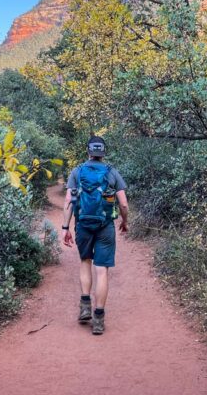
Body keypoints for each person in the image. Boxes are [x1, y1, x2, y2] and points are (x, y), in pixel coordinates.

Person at [62, 136, 129, 335]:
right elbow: (123, 204)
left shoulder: (77, 171)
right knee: (102, 271)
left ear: (88, 151)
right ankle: (98, 320)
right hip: (105, 226)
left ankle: (85, 307)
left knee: (85, 262)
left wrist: (65, 227)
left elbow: (68, 201)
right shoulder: (112, 172)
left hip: (83, 225)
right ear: (103, 152)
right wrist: (124, 222)